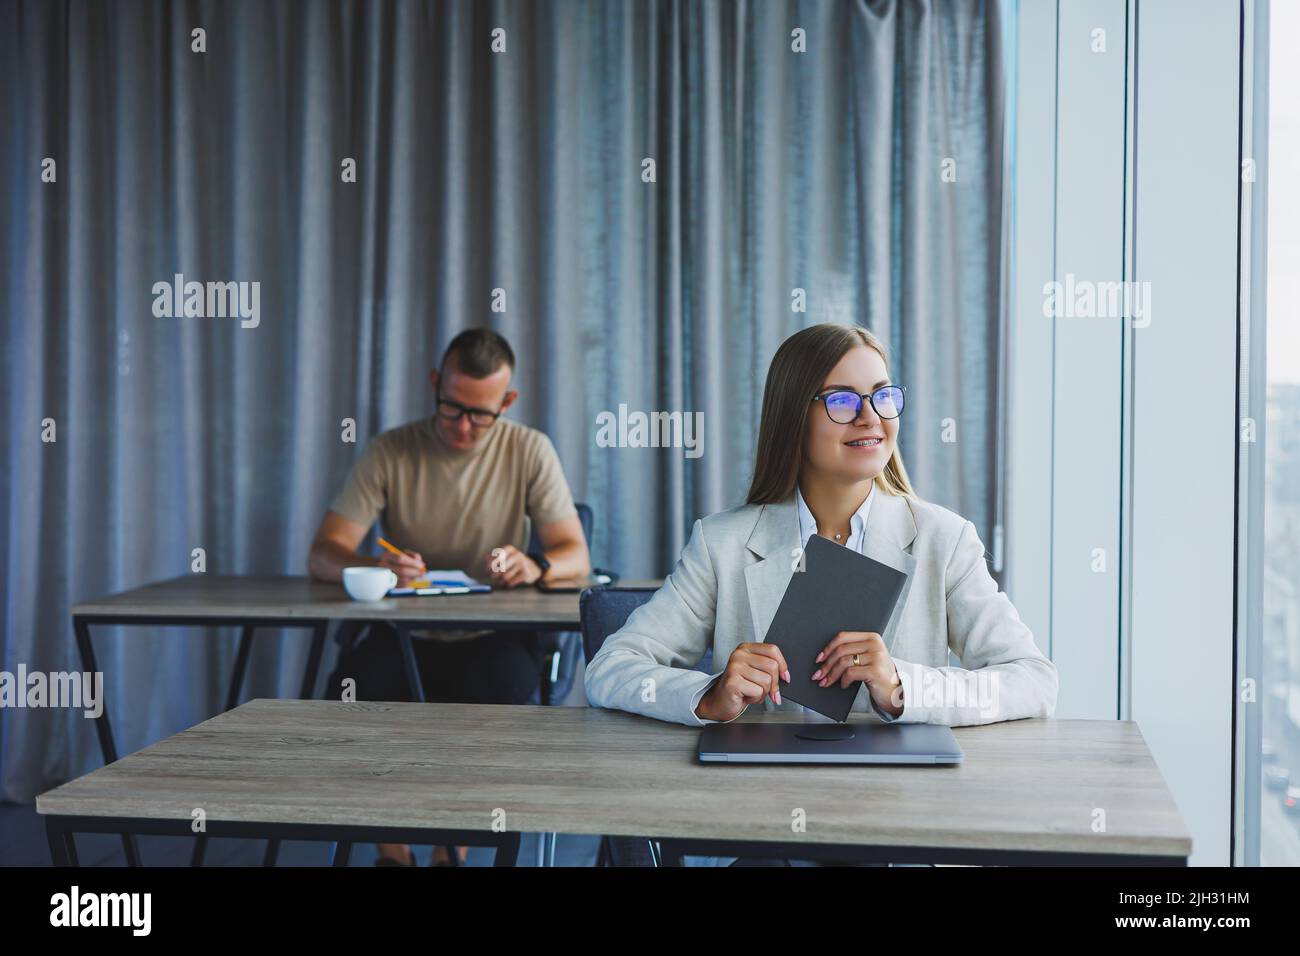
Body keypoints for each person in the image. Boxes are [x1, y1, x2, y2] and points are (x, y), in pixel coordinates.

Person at [585, 322, 1057, 731]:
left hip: (902, 806)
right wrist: (709, 695)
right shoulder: (722, 544)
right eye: (843, 400)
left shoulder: (943, 540)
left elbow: (1034, 682)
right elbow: (609, 670)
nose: (870, 416)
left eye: (882, 396)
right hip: (760, 807)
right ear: (794, 415)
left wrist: (900, 685)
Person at [309, 327, 590, 865]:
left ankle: (449, 855)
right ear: (436, 384)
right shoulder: (392, 449)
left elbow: (576, 556)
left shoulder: (528, 449)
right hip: (403, 635)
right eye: (452, 408)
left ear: (506, 401)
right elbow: (323, 554)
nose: (463, 427)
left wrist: (534, 564)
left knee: (494, 703)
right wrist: (375, 564)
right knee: (349, 702)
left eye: (481, 414)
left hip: (493, 637)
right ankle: (393, 853)